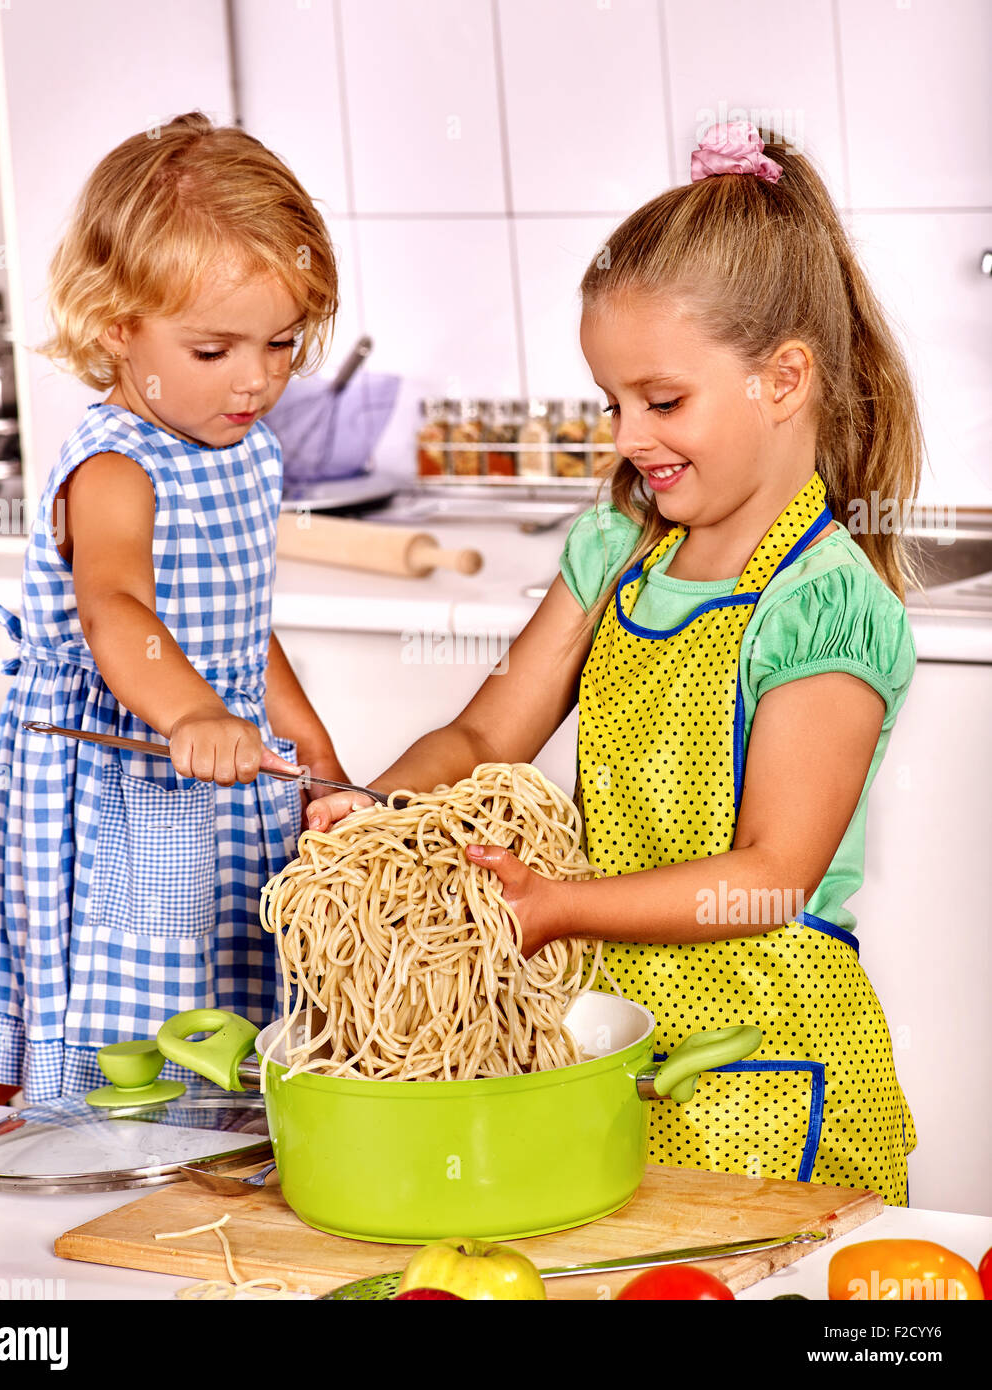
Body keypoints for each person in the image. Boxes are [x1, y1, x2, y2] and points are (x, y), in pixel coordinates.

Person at [307, 123, 922, 1205]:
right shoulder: (616, 550)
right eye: (612, 403)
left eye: (662, 401)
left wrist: (558, 907)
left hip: (768, 1055)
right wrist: (381, 808)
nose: (628, 437)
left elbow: (769, 876)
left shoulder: (823, 606)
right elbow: (485, 734)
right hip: (607, 1030)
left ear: (782, 380)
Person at [0, 112, 350, 1103]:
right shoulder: (117, 465)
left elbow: (239, 623)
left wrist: (307, 742)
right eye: (214, 349)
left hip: (217, 762)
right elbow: (116, 608)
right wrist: (191, 712)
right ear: (116, 325)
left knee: (228, 983)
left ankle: (214, 1147)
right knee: (143, 1006)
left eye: (281, 343)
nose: (255, 378)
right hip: (129, 779)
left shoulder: (244, 447)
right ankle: (111, 1140)